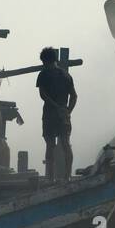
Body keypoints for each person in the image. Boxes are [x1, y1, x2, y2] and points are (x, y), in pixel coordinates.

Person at [36, 46, 77, 182]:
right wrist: (67, 111)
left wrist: (55, 107)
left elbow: (42, 95)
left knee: (50, 145)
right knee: (66, 143)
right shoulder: (66, 75)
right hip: (63, 115)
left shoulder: (43, 74)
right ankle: (67, 176)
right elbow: (74, 96)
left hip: (49, 114)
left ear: (45, 61)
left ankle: (50, 178)